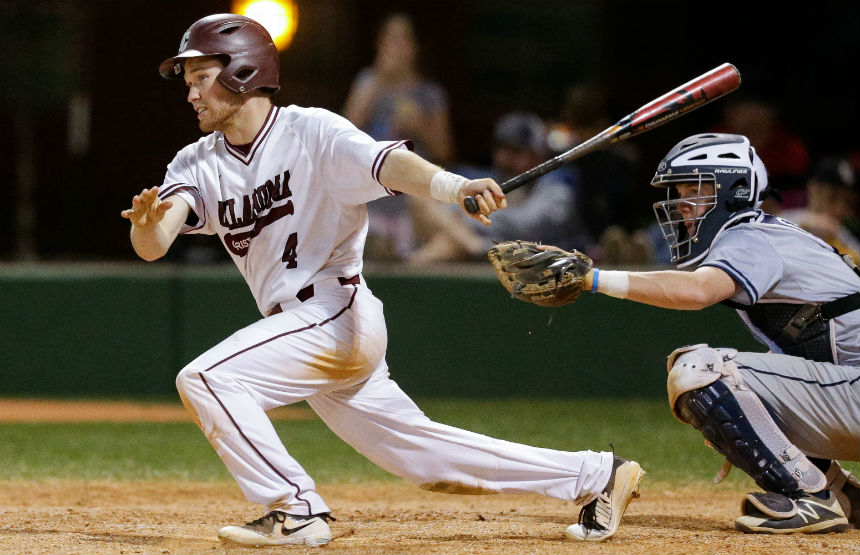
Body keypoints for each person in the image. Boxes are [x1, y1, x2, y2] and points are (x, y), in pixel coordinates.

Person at [121, 14, 644, 547]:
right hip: (304, 330)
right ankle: (597, 475)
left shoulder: (312, 132)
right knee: (423, 457)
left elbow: (388, 165)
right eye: (187, 80)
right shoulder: (198, 160)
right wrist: (146, 226)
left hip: (333, 312)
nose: (190, 93)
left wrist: (454, 186)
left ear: (242, 71)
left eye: (201, 76)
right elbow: (155, 241)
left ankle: (294, 509)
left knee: (208, 378)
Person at [538, 133, 860, 534]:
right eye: (681, 191)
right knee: (736, 394)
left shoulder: (751, 237)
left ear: (734, 190)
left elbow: (697, 291)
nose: (683, 204)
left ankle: (813, 499)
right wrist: (748, 424)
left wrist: (592, 278)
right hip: (850, 390)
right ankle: (844, 496)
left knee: (699, 369)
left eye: (696, 189)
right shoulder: (766, 235)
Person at [407, 111, 590, 266]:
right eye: (501, 149)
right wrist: (469, 237)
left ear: (538, 155)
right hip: (491, 259)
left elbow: (523, 228)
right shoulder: (489, 178)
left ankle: (404, 274)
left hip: (549, 270)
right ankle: (472, 247)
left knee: (449, 245)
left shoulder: (557, 186)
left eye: (515, 152)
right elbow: (426, 197)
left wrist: (461, 221)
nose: (504, 159)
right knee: (427, 205)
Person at [342, 13, 455, 261]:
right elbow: (343, 135)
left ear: (414, 47)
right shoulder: (367, 82)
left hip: (413, 203)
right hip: (370, 200)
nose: (397, 47)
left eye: (403, 40)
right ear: (379, 45)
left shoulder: (430, 94)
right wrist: (379, 78)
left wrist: (420, 124)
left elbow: (445, 151)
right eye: (390, 39)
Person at [779, 156, 860, 264]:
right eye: (832, 197)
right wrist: (806, 222)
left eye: (847, 202)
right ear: (813, 188)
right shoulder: (785, 220)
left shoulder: (846, 241)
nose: (840, 208)